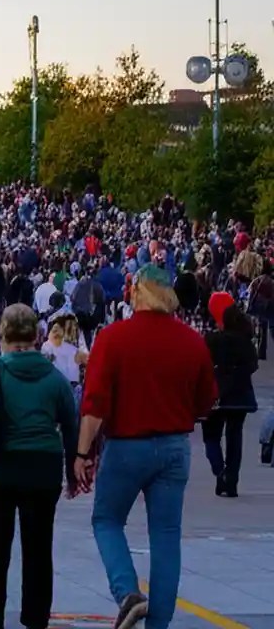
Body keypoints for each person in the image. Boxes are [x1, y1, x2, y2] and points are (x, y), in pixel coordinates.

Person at [75, 266, 217, 629]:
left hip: (126, 446)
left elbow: (94, 404)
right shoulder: (191, 341)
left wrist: (81, 453)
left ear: (136, 291)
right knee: (166, 537)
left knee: (106, 520)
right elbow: (206, 401)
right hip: (173, 447)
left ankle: (127, 593)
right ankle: (158, 624)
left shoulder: (113, 338)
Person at [0, 304, 77, 629]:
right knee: (39, 544)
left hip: (1, 466)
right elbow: (71, 423)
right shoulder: (54, 377)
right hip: (44, 467)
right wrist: (71, 472)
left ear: (2, 335)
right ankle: (36, 615)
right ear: (38, 336)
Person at [202, 304, 257, 498]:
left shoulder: (212, 340)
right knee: (235, 436)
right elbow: (253, 365)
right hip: (240, 394)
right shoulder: (246, 342)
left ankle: (220, 471)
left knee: (211, 436)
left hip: (216, 394)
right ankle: (231, 479)